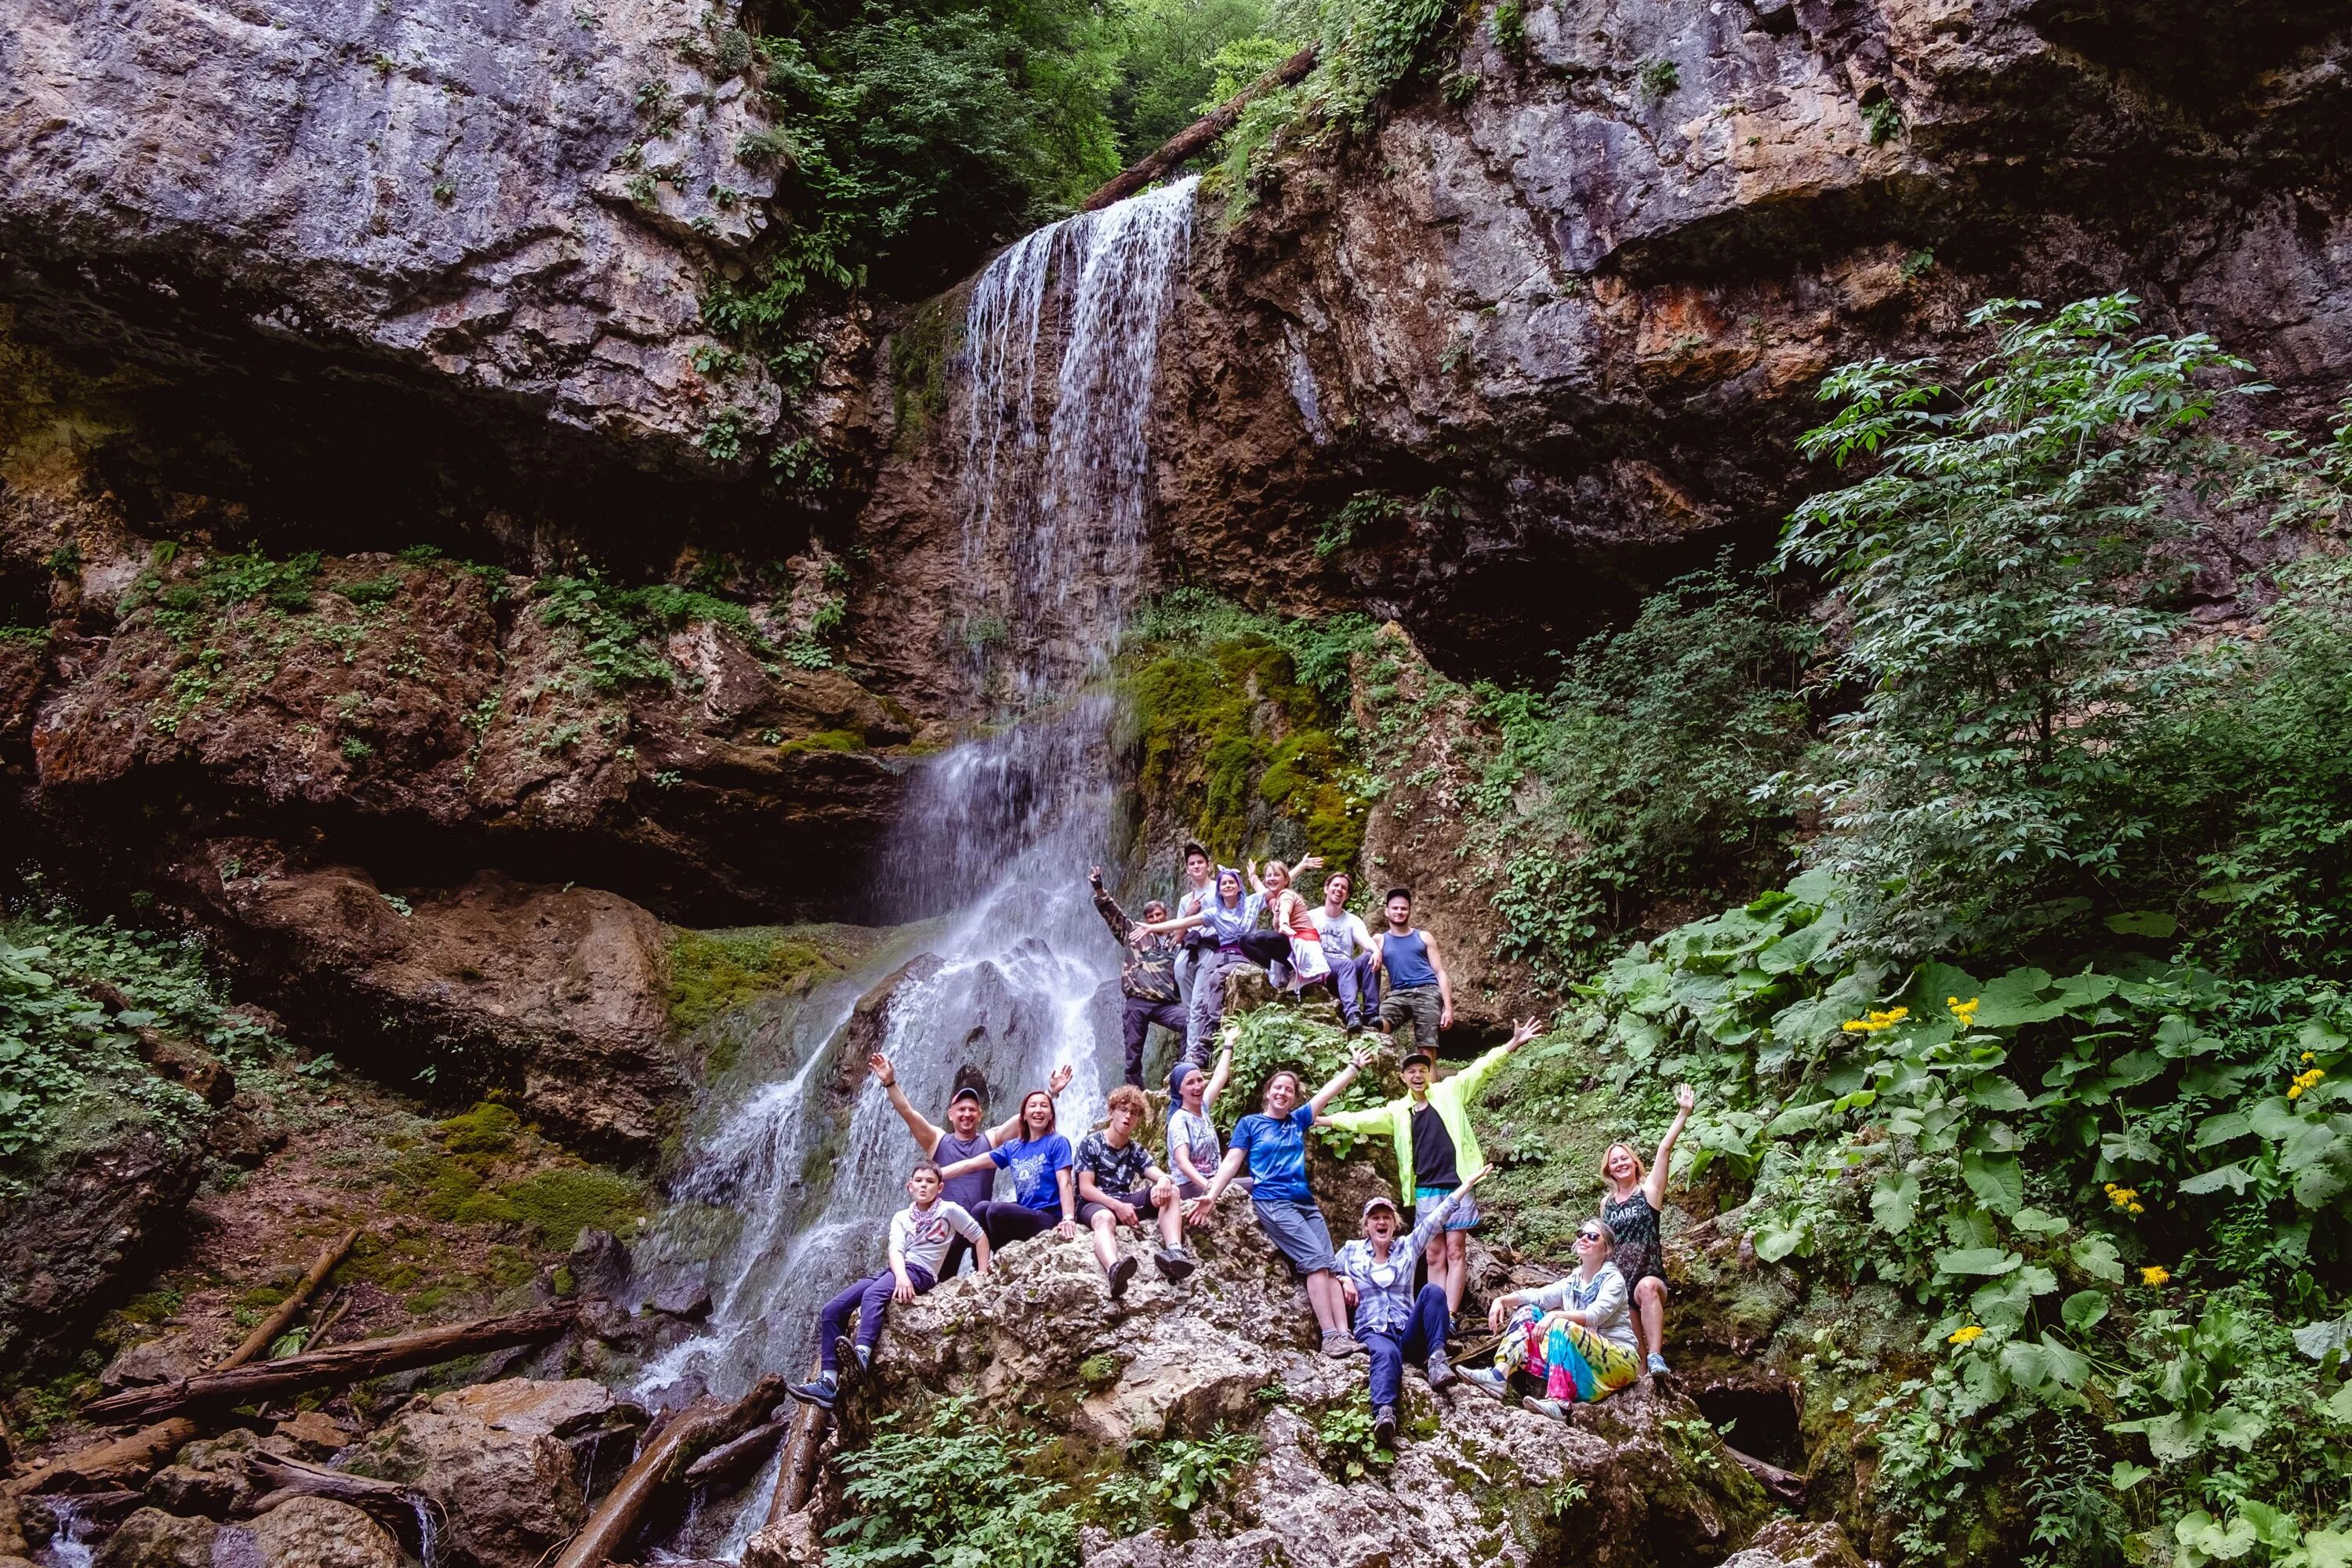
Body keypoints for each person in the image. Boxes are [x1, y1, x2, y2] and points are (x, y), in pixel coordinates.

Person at [1319, 1018, 1544, 1323]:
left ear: (1430, 1073)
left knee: (1456, 1250)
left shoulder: (1450, 1091)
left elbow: (1480, 1068)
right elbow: (1363, 1119)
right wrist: (1323, 1120)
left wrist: (1511, 1044)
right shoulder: (1398, 1112)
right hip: (1426, 1187)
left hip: (1459, 1183)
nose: (1417, 1075)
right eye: (1411, 1071)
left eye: (1422, 1070)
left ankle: (1449, 1314)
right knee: (1434, 1254)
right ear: (1402, 1078)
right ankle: (1434, 1313)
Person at [1192, 1044, 1377, 1359]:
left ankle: (1346, 1335)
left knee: (1331, 1267)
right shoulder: (1250, 1124)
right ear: (1268, 1093)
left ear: (1293, 1097)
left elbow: (1325, 1095)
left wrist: (1354, 1067)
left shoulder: (1298, 1120)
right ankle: (1330, 1337)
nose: (1283, 1093)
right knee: (1316, 1265)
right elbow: (1232, 1161)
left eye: (1289, 1090)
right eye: (1278, 1088)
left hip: (1305, 1203)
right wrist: (1211, 1195)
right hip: (1274, 1203)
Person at [787, 1160, 988, 1410]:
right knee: (831, 1310)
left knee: (873, 1294)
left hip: (923, 1272)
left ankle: (861, 1355)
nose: (924, 1186)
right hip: (897, 1270)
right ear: (909, 1186)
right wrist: (901, 1276)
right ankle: (827, 1384)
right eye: (919, 1181)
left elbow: (978, 1236)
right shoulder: (901, 1217)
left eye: (930, 1182)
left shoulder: (949, 1211)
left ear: (940, 1188)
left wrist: (982, 1275)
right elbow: (896, 1249)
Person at [867, 1053, 1073, 1276]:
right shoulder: (936, 1139)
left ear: (980, 1115)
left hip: (980, 1224)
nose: (967, 1114)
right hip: (945, 1226)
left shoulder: (991, 1140)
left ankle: (984, 1271)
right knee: (940, 1278)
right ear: (951, 1114)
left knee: (984, 1215)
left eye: (972, 1110)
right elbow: (909, 1113)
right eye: (961, 1110)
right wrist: (889, 1083)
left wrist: (1050, 1093)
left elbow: (1026, 1116)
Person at [1335, 1168, 1490, 1450]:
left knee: (1432, 1291)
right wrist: (1344, 1278)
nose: (1381, 1222)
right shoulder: (1350, 1251)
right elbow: (1326, 1270)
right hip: (1373, 1330)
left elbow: (1435, 1219)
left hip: (1407, 1330)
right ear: (1366, 1225)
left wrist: (1464, 1186)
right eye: (1375, 1218)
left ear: (1394, 1224)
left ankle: (1437, 1360)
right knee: (1386, 1353)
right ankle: (1385, 1413)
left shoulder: (1406, 1247)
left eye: (1386, 1218)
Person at [1467, 1217, 1641, 1416]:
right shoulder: (1574, 1279)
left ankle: (1559, 1403)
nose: (1584, 1239)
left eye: (1592, 1237)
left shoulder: (1613, 1280)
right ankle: (1499, 1375)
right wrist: (1503, 1300)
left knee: (1561, 1324)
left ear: (1607, 1249)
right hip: (1580, 1368)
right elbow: (1540, 1296)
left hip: (1617, 1363)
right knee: (1527, 1312)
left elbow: (1595, 1315)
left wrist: (1555, 1316)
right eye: (1581, 1234)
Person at [1602, 1083, 1697, 1374]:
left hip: (1649, 1276)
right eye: (1614, 1161)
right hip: (1621, 1282)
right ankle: (1648, 1390)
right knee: (1636, 1358)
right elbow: (1604, 1247)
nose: (1620, 1163)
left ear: (1634, 1163)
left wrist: (1683, 1112)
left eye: (1624, 1158)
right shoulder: (1606, 1204)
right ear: (1609, 1170)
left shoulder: (1650, 1191)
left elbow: (1664, 1149)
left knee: (1646, 1288)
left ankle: (1657, 1356)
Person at [1075, 1084, 1196, 1296]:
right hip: (1094, 1204)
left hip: (1125, 1200)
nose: (1128, 1117)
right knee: (1105, 1218)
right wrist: (1117, 1206)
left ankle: (1174, 1252)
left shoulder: (1135, 1150)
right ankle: (1114, 1270)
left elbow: (1156, 1173)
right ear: (1111, 1112)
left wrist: (1165, 1181)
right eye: (1123, 1110)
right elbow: (1085, 1188)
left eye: (1134, 1113)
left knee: (1172, 1193)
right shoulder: (1091, 1144)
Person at [1138, 867, 1273, 1049]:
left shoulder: (1251, 903)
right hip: (1220, 954)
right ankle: (1202, 1039)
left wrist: (1300, 866)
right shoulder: (1215, 912)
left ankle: (1212, 1027)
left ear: (1239, 887)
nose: (1227, 885)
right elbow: (1183, 923)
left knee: (1216, 978)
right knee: (1205, 989)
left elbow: (1277, 888)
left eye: (1231, 882)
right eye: (1224, 883)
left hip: (1241, 954)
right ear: (1219, 890)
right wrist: (1152, 928)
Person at [936, 1088, 1080, 1251]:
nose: (1038, 1110)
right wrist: (936, 1175)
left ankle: (1001, 1255)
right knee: (980, 1209)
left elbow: (1066, 1182)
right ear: (1023, 1116)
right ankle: (981, 1266)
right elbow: (972, 1164)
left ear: (1051, 1115)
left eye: (1044, 1106)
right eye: (1033, 1106)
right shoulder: (1014, 1147)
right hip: (1025, 1214)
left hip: (1048, 1217)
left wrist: (1068, 1217)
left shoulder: (1057, 1142)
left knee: (996, 1210)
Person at [1091, 866, 1190, 1086]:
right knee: (1133, 1052)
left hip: (1166, 1004)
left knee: (1190, 1022)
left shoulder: (1178, 939)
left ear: (1166, 916)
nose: (1155, 919)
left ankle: (1184, 1074)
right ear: (1145, 918)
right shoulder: (1133, 933)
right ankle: (1136, 1094)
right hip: (1138, 1001)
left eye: (1159, 915)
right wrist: (1099, 888)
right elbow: (1113, 913)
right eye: (1150, 916)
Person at [1166, 1038, 1243, 1216]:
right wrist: (1208, 1186)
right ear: (1179, 1090)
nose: (1197, 1086)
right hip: (1188, 1185)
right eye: (1190, 1083)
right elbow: (1182, 1162)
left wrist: (1228, 1043)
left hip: (1212, 1180)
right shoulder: (1179, 1120)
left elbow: (1220, 1076)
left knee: (1258, 1185)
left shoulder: (1203, 1107)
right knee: (1252, 1187)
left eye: (1199, 1080)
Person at [1374, 888, 1453, 1054]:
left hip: (1428, 991)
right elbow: (1369, 972)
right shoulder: (1379, 940)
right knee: (1375, 1027)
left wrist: (1448, 1009)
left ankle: (1431, 1081)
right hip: (1398, 994)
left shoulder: (1424, 937)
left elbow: (1440, 972)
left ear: (1409, 911)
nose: (1399, 912)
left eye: (1404, 908)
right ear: (1386, 911)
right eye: (1395, 908)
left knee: (1426, 1049)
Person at [1307, 872, 1381, 1035]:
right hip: (1321, 969)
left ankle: (1371, 1014)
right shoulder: (1312, 916)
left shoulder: (1352, 920)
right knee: (1346, 964)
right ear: (1326, 888)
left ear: (1347, 895)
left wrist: (1376, 951)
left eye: (1343, 888)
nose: (1339, 889)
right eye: (1335, 885)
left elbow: (1364, 939)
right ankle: (1353, 1014)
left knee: (1369, 957)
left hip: (1345, 973)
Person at [1245, 856, 1328, 993]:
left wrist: (1284, 924)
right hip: (1290, 943)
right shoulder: (1274, 899)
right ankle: (1282, 970)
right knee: (1245, 941)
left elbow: (1285, 909)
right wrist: (1253, 877)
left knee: (1263, 937)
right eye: (1268, 876)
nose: (1272, 878)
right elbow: (1263, 891)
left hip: (1302, 943)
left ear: (1286, 880)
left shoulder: (1286, 895)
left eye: (1277, 875)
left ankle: (1293, 969)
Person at [1170, 841, 1218, 1054]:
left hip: (1212, 947)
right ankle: (1194, 1049)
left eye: (1200, 862)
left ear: (1208, 865)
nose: (1197, 866)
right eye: (1192, 863)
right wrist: (1189, 913)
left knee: (1198, 1003)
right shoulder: (1185, 900)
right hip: (1189, 950)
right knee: (1190, 1007)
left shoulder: (1220, 889)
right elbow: (1177, 936)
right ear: (1187, 870)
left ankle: (1193, 1054)